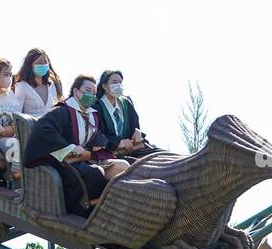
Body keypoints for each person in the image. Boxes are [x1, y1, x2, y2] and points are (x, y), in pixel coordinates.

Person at [23, 75, 129, 216]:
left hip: (88, 158)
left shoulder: (93, 115)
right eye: (87, 90)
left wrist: (94, 146)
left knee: (123, 167)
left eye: (93, 92)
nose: (90, 95)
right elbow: (43, 131)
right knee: (95, 174)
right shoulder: (61, 111)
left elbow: (98, 137)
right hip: (67, 162)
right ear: (76, 91)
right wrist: (71, 148)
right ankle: (87, 210)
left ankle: (119, 208)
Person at [95, 69, 161, 157]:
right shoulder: (97, 106)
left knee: (159, 154)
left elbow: (135, 125)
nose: (118, 85)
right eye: (115, 82)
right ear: (104, 86)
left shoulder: (126, 103)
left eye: (120, 82)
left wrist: (137, 133)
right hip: (110, 152)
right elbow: (97, 133)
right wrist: (118, 142)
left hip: (133, 148)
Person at [13, 48, 63, 117]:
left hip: (51, 126)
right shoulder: (22, 86)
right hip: (32, 126)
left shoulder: (51, 85)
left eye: (45, 62)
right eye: (39, 62)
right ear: (30, 65)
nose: (43, 65)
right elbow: (16, 113)